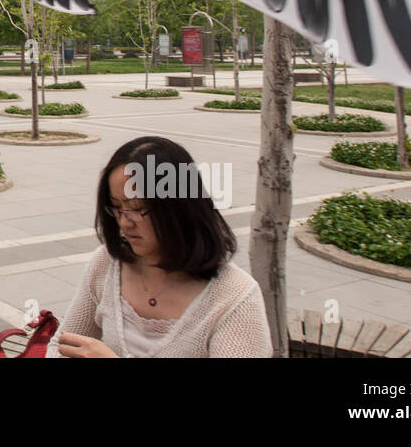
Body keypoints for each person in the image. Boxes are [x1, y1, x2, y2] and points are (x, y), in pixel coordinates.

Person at [48, 135, 273, 357]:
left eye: (138, 207)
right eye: (116, 207)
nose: (125, 221)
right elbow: (61, 345)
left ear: (179, 207)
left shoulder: (234, 298)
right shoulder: (107, 264)